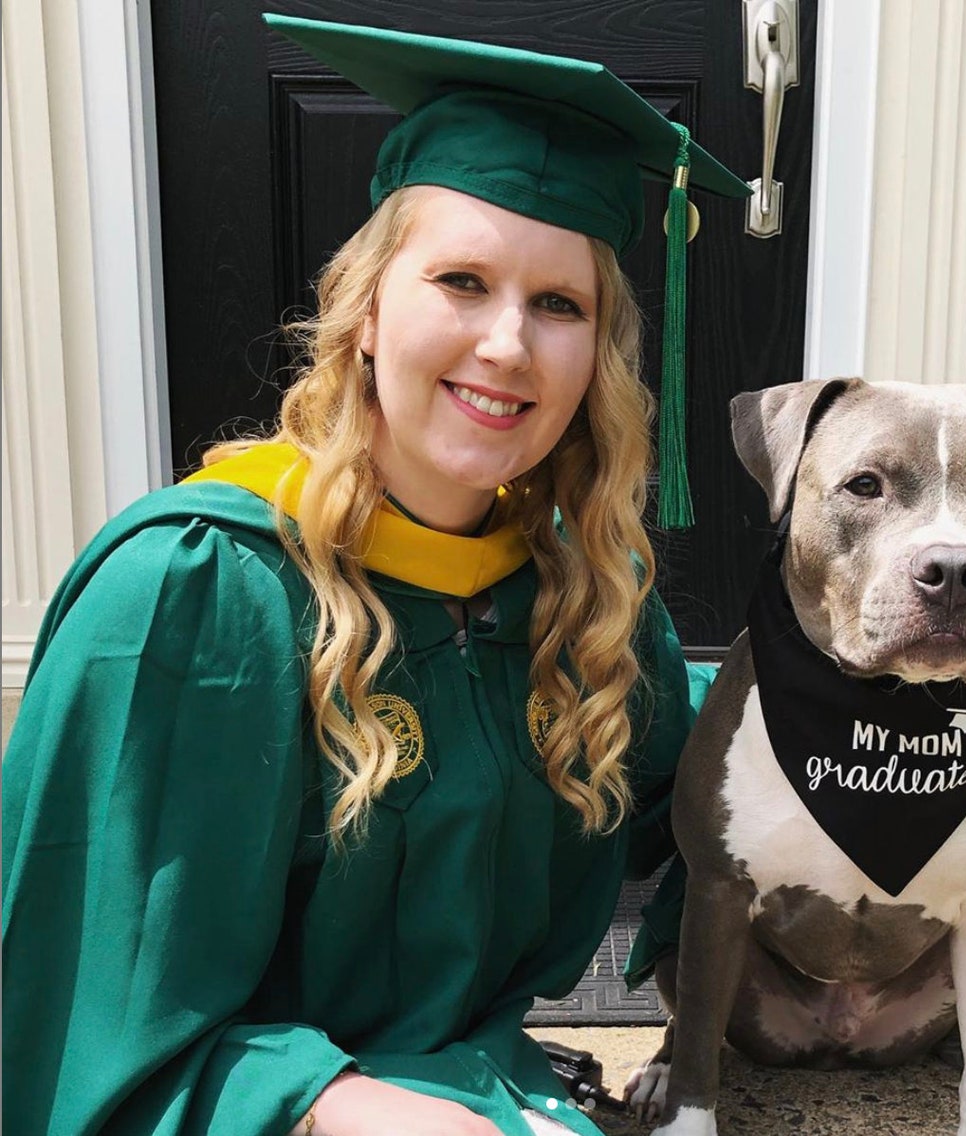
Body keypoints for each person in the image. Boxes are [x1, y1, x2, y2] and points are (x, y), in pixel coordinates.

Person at [2, 15, 751, 1136]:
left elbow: (683, 801)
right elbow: (77, 1004)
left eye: (561, 304)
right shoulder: (196, 591)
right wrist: (332, 1105)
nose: (508, 343)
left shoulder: (579, 597)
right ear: (363, 313)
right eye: (461, 279)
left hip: (488, 1094)